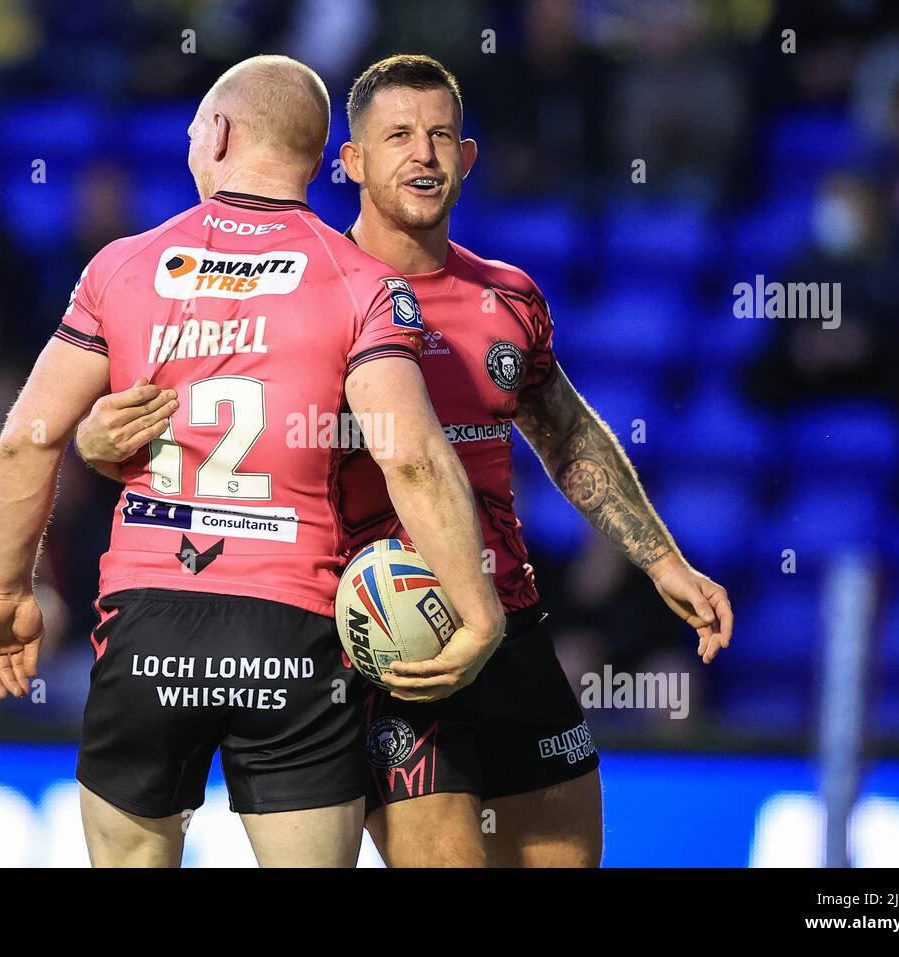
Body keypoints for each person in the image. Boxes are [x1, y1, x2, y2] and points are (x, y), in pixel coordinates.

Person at [78, 54, 734, 868]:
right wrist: (95, 439)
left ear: (467, 159)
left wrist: (661, 558)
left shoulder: (510, 298)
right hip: (387, 642)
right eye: (396, 136)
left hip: (510, 623)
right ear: (349, 163)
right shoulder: (307, 288)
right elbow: (200, 423)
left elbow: (565, 435)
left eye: (440, 136)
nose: (422, 154)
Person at [0, 55, 504, 868]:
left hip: (149, 621)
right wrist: (478, 605)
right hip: (292, 625)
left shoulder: (121, 266)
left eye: (193, 128)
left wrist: (9, 589)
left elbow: (25, 438)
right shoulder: (361, 280)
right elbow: (415, 458)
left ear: (217, 133)